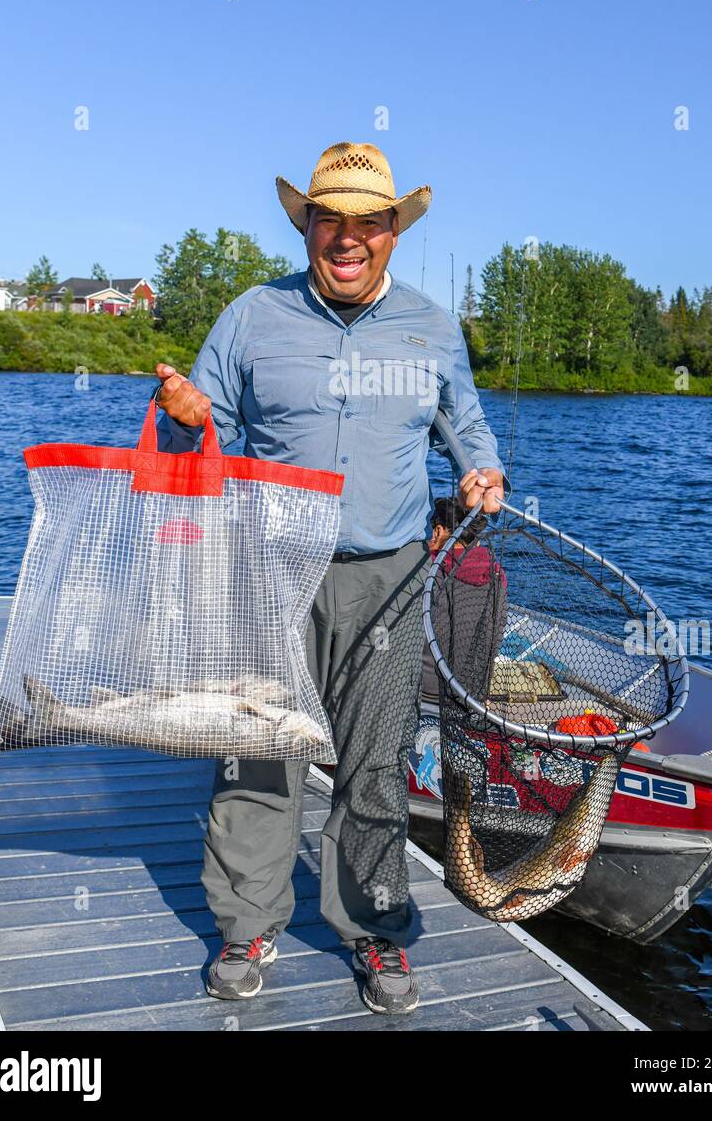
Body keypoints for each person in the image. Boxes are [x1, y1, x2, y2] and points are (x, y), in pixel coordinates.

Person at [154, 141, 505, 1015]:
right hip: (269, 569)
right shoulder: (251, 317)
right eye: (330, 220)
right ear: (307, 225)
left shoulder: (432, 327)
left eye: (369, 223)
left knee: (377, 765)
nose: (349, 239)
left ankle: (374, 929)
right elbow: (190, 440)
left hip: (388, 578)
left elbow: (470, 432)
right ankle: (246, 925)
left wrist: (483, 476)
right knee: (257, 751)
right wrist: (178, 417)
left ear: (394, 232)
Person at [422, 497, 508, 702]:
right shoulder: (496, 574)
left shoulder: (427, 572)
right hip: (473, 689)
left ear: (438, 531)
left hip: (428, 688)